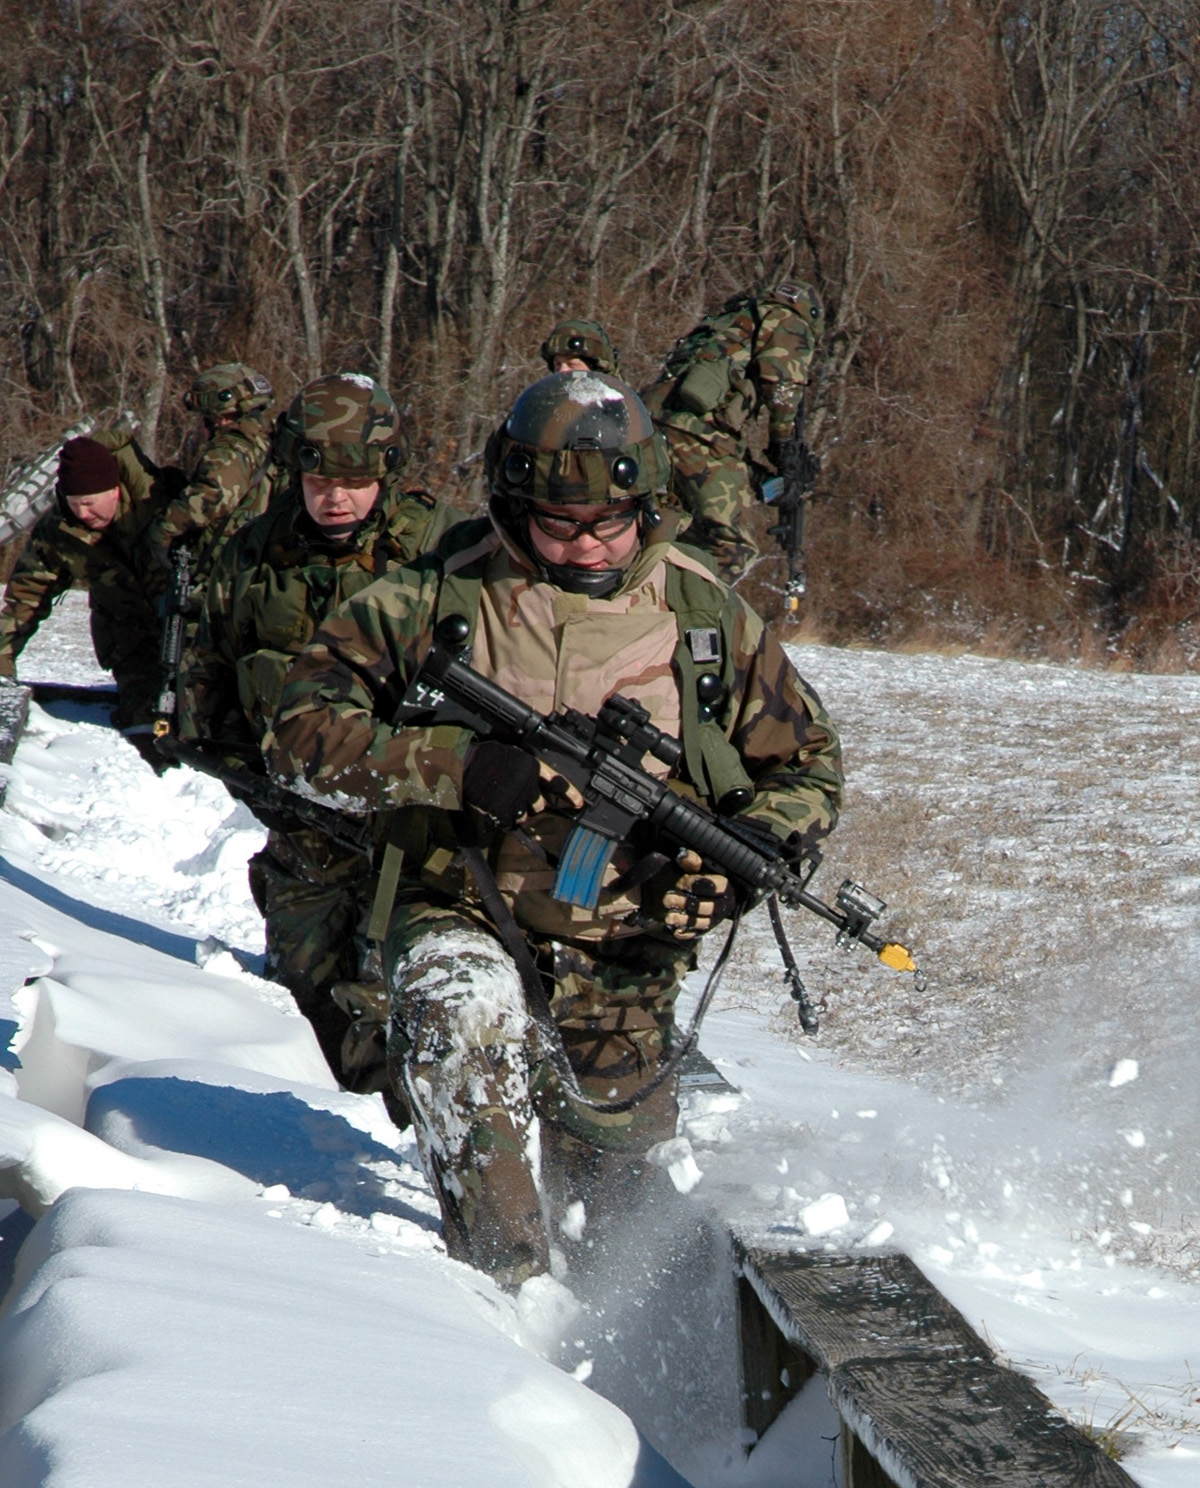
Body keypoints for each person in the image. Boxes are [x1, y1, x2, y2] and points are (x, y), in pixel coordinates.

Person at [267, 369, 841, 1283]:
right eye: (558, 525)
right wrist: (458, 767)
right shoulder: (431, 597)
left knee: (614, 1217)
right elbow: (297, 737)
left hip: (621, 949)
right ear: (510, 503)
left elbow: (805, 762)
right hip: (459, 904)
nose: (585, 548)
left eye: (609, 524)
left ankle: (603, 1371)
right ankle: (504, 1305)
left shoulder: (701, 615)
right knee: (464, 1023)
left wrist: (755, 846)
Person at [182, 373, 447, 1090]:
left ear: (386, 470)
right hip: (301, 824)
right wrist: (239, 764)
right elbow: (212, 668)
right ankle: (345, 1117)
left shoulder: (438, 554)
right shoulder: (252, 556)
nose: (337, 494)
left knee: (412, 993)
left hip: (414, 825)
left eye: (356, 477)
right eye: (318, 474)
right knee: (306, 987)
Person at [0, 429, 180, 748]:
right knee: (145, 728)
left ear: (114, 490)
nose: (82, 513)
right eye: (74, 503)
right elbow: (25, 598)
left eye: (88, 503)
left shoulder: (166, 504)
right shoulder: (61, 529)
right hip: (131, 641)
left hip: (191, 639)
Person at [643, 282, 823, 578]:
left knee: (683, 530)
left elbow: (730, 465)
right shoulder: (787, 319)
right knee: (734, 550)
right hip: (693, 431)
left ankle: (651, 596)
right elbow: (783, 385)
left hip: (655, 421)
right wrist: (785, 446)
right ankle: (677, 617)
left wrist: (773, 483)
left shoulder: (733, 320)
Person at [145, 363, 279, 575]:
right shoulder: (267, 438)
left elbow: (211, 495)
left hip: (231, 569)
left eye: (205, 418)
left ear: (220, 417)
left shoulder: (232, 446)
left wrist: (163, 530)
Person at [541, 320, 619, 375]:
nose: (562, 371)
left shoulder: (618, 397)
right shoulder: (548, 397)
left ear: (597, 368)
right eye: (558, 364)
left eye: (571, 364)